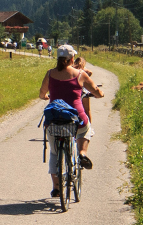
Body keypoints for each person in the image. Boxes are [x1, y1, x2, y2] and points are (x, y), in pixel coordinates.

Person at [39, 45, 104, 197]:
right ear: (72, 59)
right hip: (76, 118)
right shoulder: (80, 74)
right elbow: (96, 91)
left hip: (55, 119)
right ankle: (82, 153)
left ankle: (56, 187)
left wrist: (46, 97)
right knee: (86, 129)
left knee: (54, 153)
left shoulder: (50, 74)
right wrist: (100, 94)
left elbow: (42, 93)